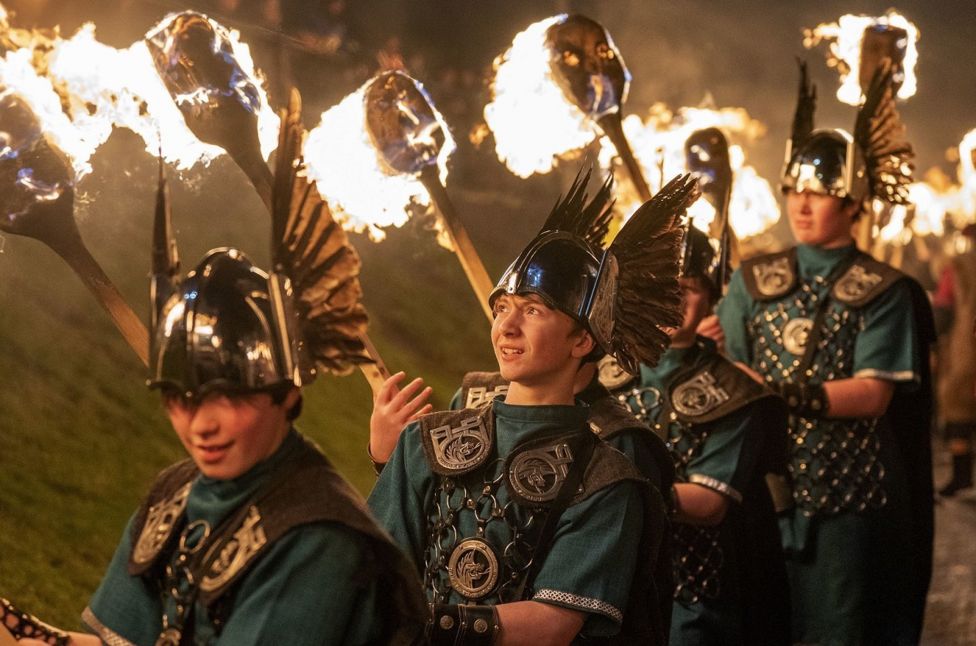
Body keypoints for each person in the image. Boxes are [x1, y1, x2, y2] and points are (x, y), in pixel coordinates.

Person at [1, 106, 426, 645]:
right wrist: (20, 630)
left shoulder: (320, 541)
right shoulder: (175, 493)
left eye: (226, 396)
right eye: (180, 397)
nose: (199, 423)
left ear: (287, 393)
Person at [368, 171, 698, 644]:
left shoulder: (608, 481)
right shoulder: (427, 441)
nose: (507, 326)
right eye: (502, 307)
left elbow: (553, 623)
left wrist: (425, 622)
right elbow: (375, 565)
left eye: (534, 310)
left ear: (582, 339)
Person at [712, 60, 933, 645]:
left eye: (820, 192)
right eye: (795, 190)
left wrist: (776, 392)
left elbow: (872, 394)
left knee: (839, 630)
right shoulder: (754, 279)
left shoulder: (885, 290)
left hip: (849, 489)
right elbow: (726, 370)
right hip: (764, 482)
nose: (802, 204)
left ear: (854, 199)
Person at [605, 225, 791, 646]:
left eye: (688, 287)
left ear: (710, 298)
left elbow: (708, 505)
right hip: (607, 583)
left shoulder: (734, 391)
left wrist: (615, 493)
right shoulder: (590, 375)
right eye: (660, 286)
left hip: (692, 590)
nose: (673, 299)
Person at [933, 224, 976, 497]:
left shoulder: (958, 267)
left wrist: (935, 346)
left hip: (966, 351)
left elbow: (944, 308)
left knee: (958, 409)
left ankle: (962, 476)